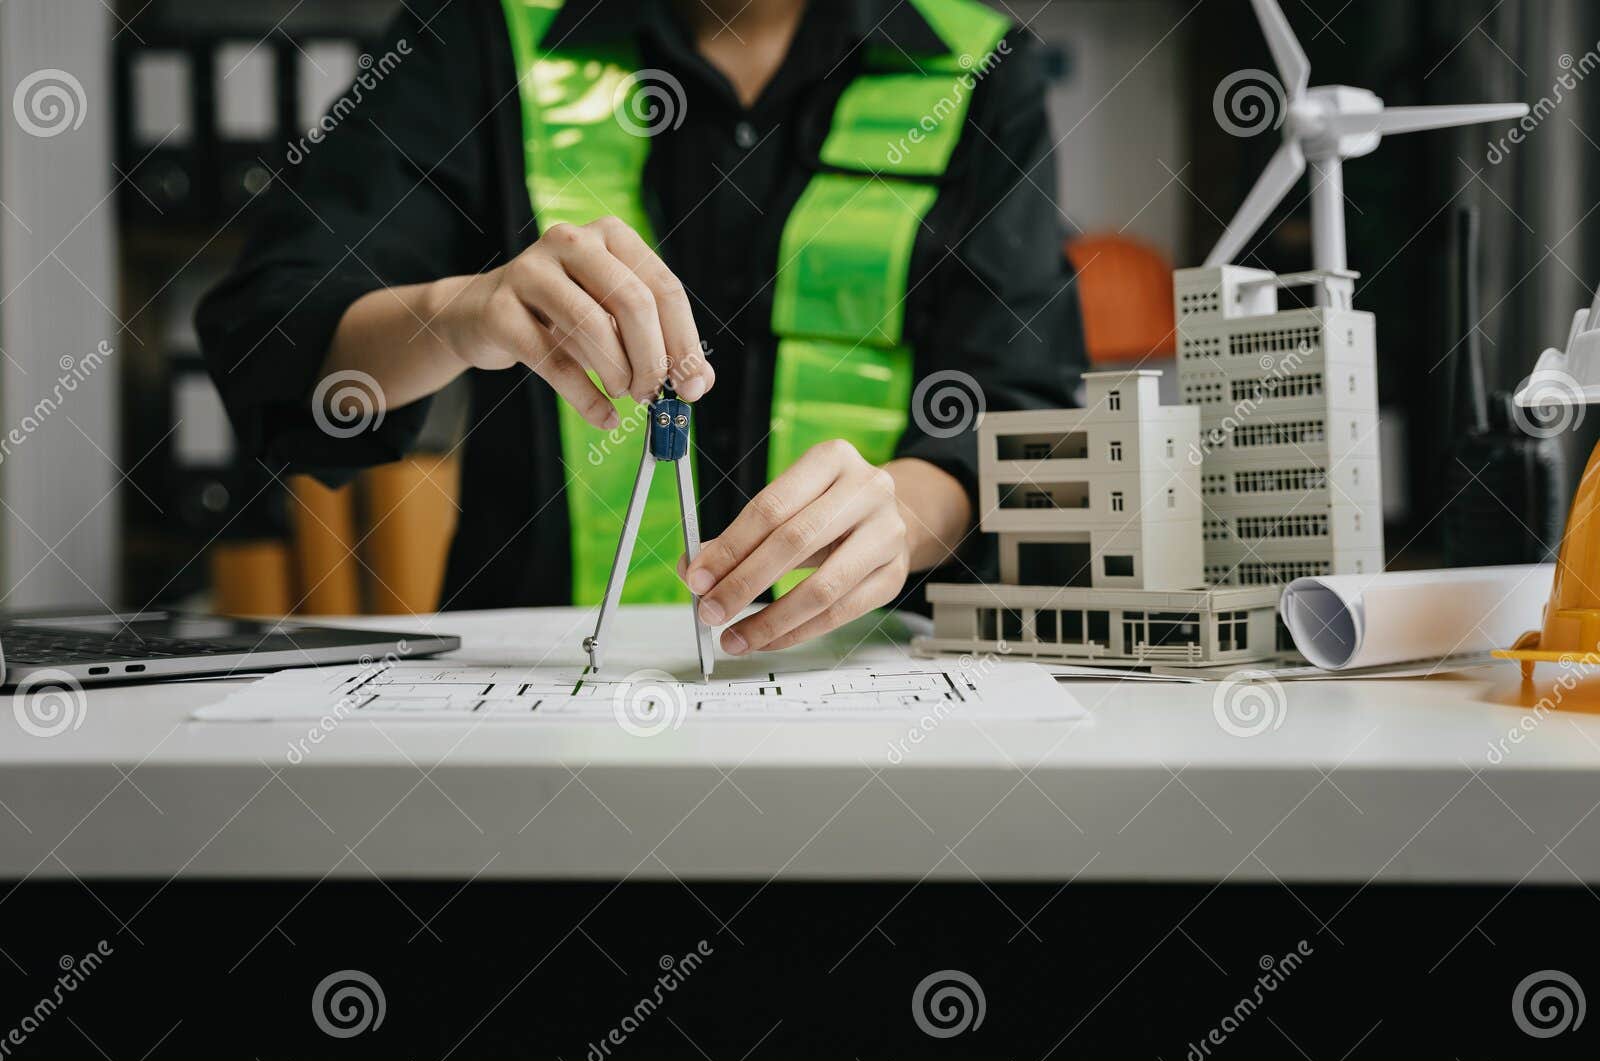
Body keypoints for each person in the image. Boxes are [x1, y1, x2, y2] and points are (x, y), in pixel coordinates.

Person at [197, 0, 1085, 655]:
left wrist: (909, 508)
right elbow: (272, 338)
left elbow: (1019, 414)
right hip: (529, 698)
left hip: (865, 685)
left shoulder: (978, 70)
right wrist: (459, 314)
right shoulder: (477, 32)